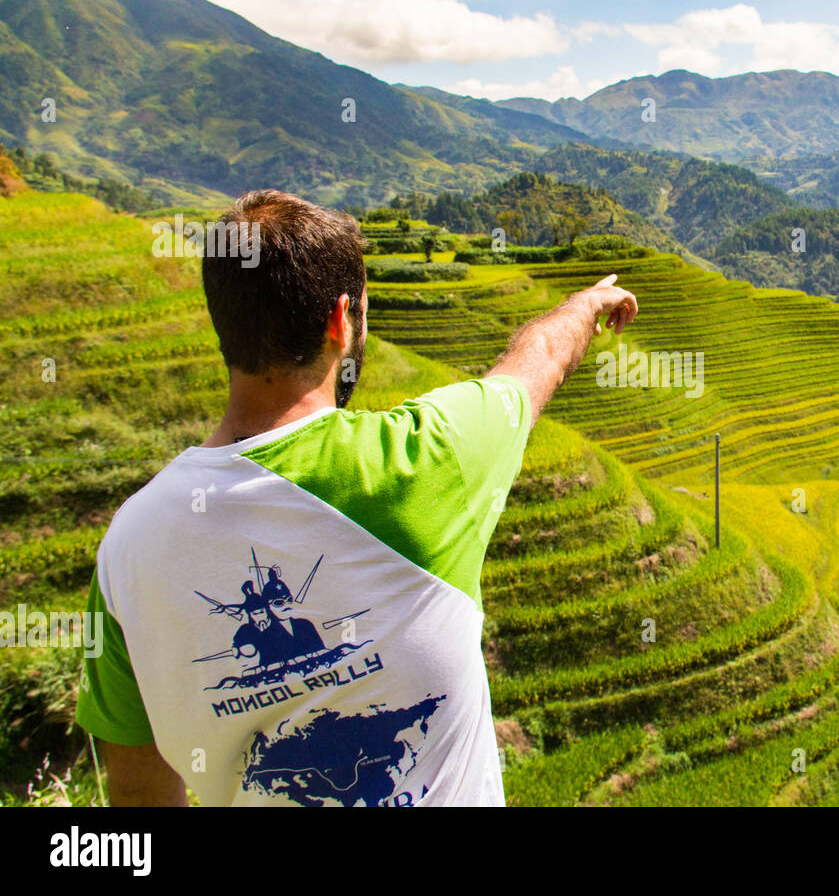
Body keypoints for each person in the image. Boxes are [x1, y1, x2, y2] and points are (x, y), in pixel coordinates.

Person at [74, 189, 637, 806]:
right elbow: (540, 361)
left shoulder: (129, 546)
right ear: (341, 320)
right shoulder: (429, 458)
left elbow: (137, 796)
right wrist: (587, 305)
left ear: (225, 322)